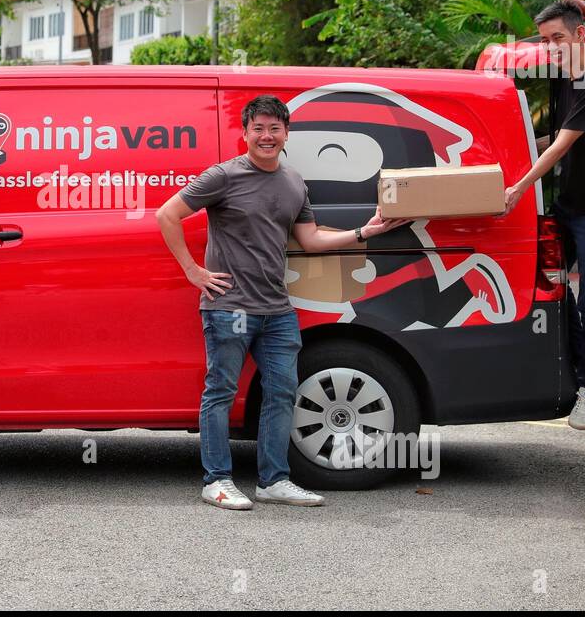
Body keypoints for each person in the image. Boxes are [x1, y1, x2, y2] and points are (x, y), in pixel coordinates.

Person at [156, 94, 410, 510]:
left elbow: (310, 240)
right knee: (220, 391)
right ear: (245, 133)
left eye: (274, 128)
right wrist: (192, 272)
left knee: (281, 392)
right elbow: (167, 215)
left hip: (277, 310)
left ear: (286, 134)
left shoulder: (294, 182)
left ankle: (273, 480)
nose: (266, 136)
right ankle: (216, 480)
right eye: (258, 128)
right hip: (229, 307)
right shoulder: (223, 176)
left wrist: (363, 233)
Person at [504, 0, 585, 430]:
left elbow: (562, 145)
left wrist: (519, 187)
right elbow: (550, 137)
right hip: (568, 205)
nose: (551, 48)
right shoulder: (563, 81)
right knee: (550, 288)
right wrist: (504, 152)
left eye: (557, 38)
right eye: (545, 42)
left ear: (580, 34)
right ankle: (563, 373)